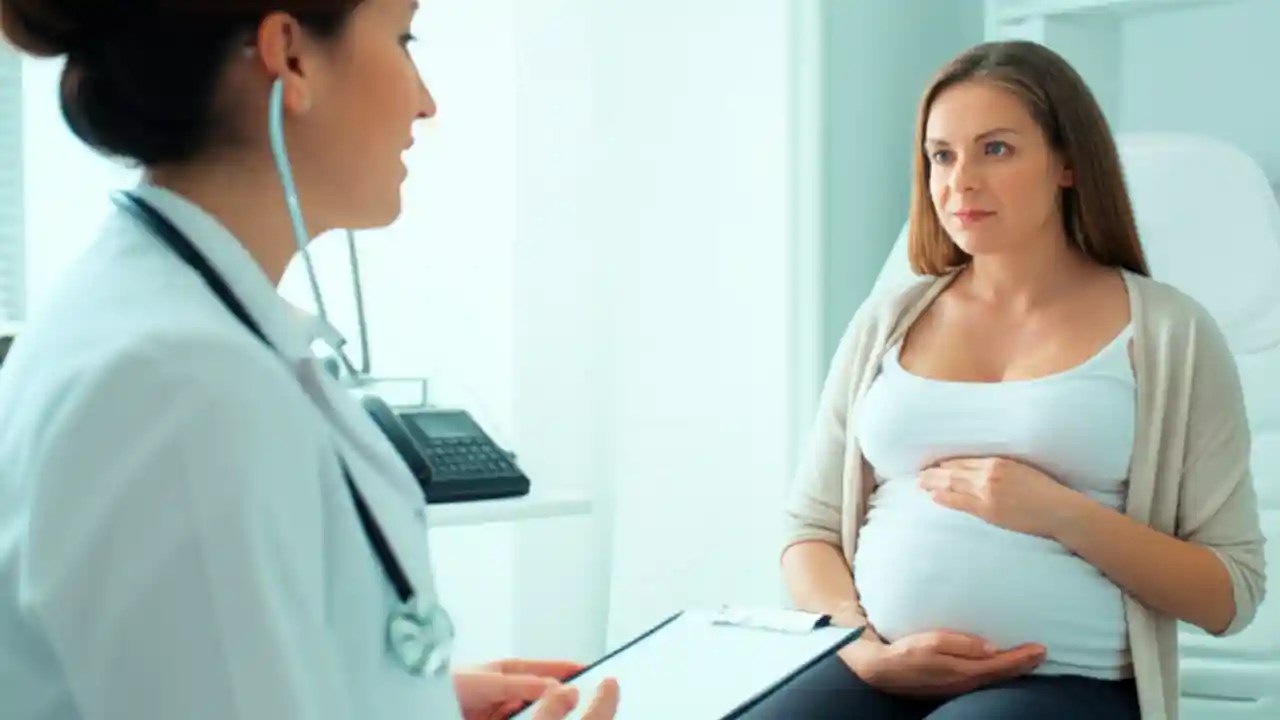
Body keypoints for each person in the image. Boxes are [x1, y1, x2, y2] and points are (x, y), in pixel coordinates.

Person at [0, 1, 618, 718]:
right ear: (291, 56)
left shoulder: (167, 333)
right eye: (402, 37)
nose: (425, 102)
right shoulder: (181, 389)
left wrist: (389, 692)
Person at [766, 41, 1266, 720]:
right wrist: (859, 645)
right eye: (941, 155)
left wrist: (1056, 511)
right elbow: (810, 530)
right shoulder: (887, 320)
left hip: (1065, 682)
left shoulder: (1169, 334)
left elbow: (1228, 594)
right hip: (874, 668)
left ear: (1066, 163)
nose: (959, 181)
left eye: (995, 149)